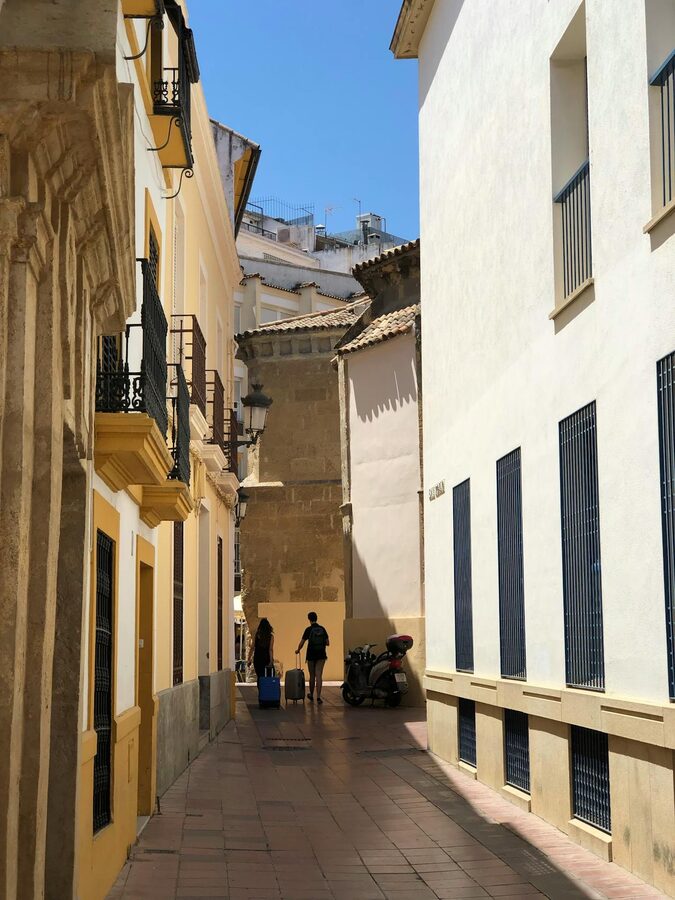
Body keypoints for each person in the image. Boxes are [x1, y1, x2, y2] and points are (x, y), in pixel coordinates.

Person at [296, 611, 329, 704]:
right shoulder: (322, 629)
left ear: (309, 619)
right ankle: (318, 697)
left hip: (311, 654)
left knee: (312, 675)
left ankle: (311, 694)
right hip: (321, 654)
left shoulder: (308, 629)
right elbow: (328, 643)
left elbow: (302, 642)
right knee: (319, 675)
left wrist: (298, 650)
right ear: (316, 618)